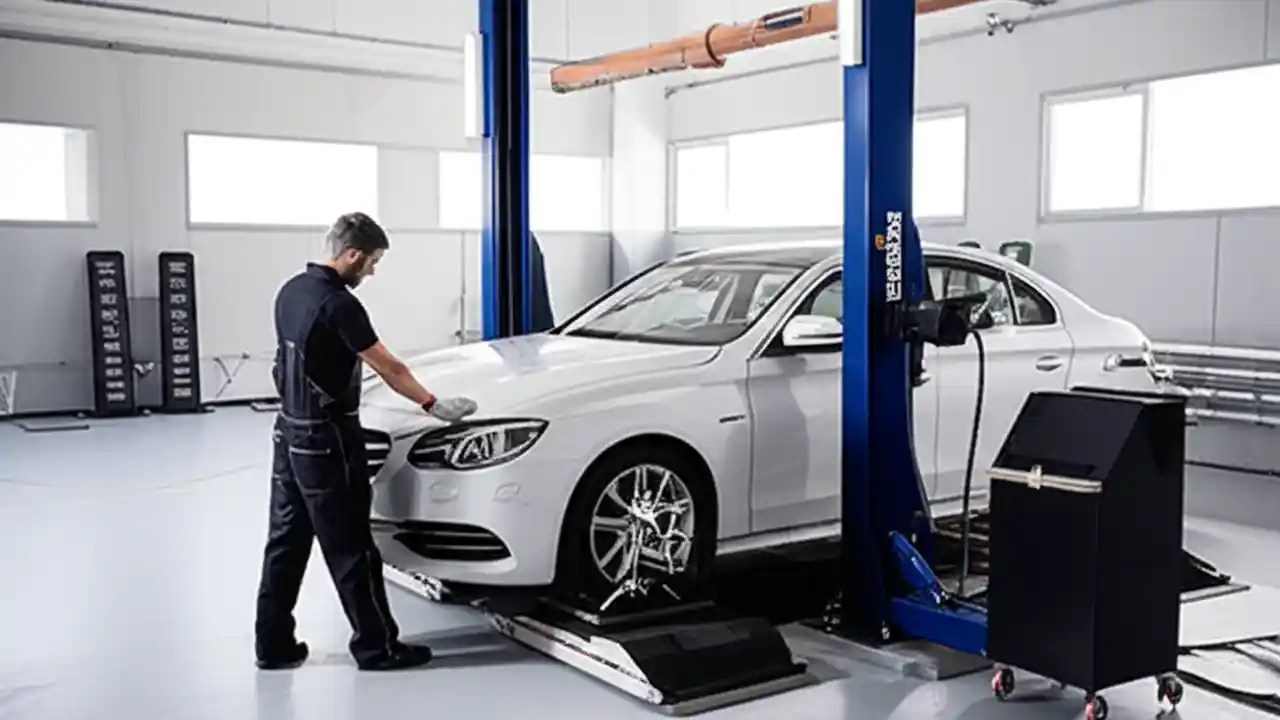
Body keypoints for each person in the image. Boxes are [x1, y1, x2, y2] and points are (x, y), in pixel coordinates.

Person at [254, 212, 477, 671]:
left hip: (289, 431)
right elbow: (388, 366)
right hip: (327, 441)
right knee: (352, 546)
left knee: (286, 540)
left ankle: (272, 644)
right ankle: (378, 647)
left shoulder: (291, 290)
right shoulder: (339, 304)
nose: (372, 271)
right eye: (372, 261)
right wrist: (433, 404)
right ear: (352, 254)